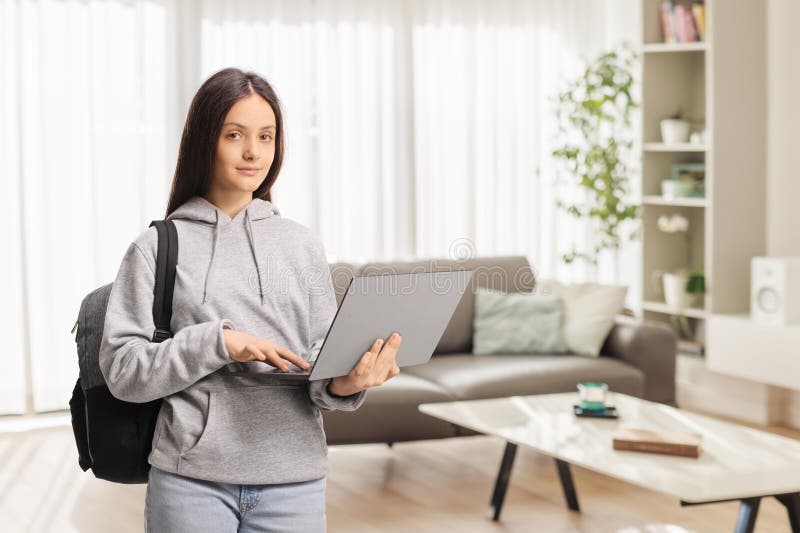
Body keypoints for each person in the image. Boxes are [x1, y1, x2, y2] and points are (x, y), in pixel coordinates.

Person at [98, 67, 402, 532]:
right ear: (205, 139)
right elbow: (123, 371)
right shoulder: (157, 247)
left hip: (295, 480)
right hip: (191, 481)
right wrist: (219, 343)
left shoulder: (302, 245)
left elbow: (319, 358)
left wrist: (347, 382)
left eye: (266, 136)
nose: (252, 152)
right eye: (235, 134)